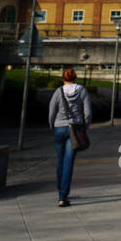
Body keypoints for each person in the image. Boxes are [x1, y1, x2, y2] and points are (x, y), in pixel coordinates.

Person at [48, 67, 92, 207]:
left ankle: (60, 189)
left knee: (59, 160)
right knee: (68, 162)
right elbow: (88, 113)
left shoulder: (58, 91)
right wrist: (84, 128)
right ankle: (63, 196)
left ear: (63, 78)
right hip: (75, 129)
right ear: (75, 78)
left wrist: (52, 126)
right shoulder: (82, 91)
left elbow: (51, 111)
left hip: (59, 128)